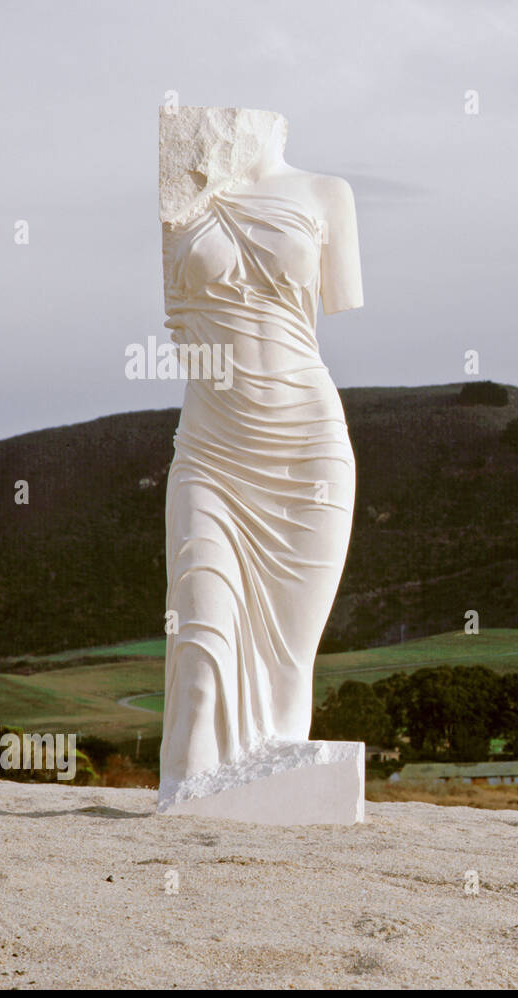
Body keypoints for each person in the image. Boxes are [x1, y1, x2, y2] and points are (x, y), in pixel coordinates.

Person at [157, 107, 362, 809]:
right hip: (213, 453)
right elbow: (179, 318)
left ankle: (264, 803)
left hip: (307, 448)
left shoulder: (328, 193)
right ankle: (190, 798)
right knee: (202, 651)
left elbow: (337, 301)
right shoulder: (183, 187)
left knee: (286, 666)